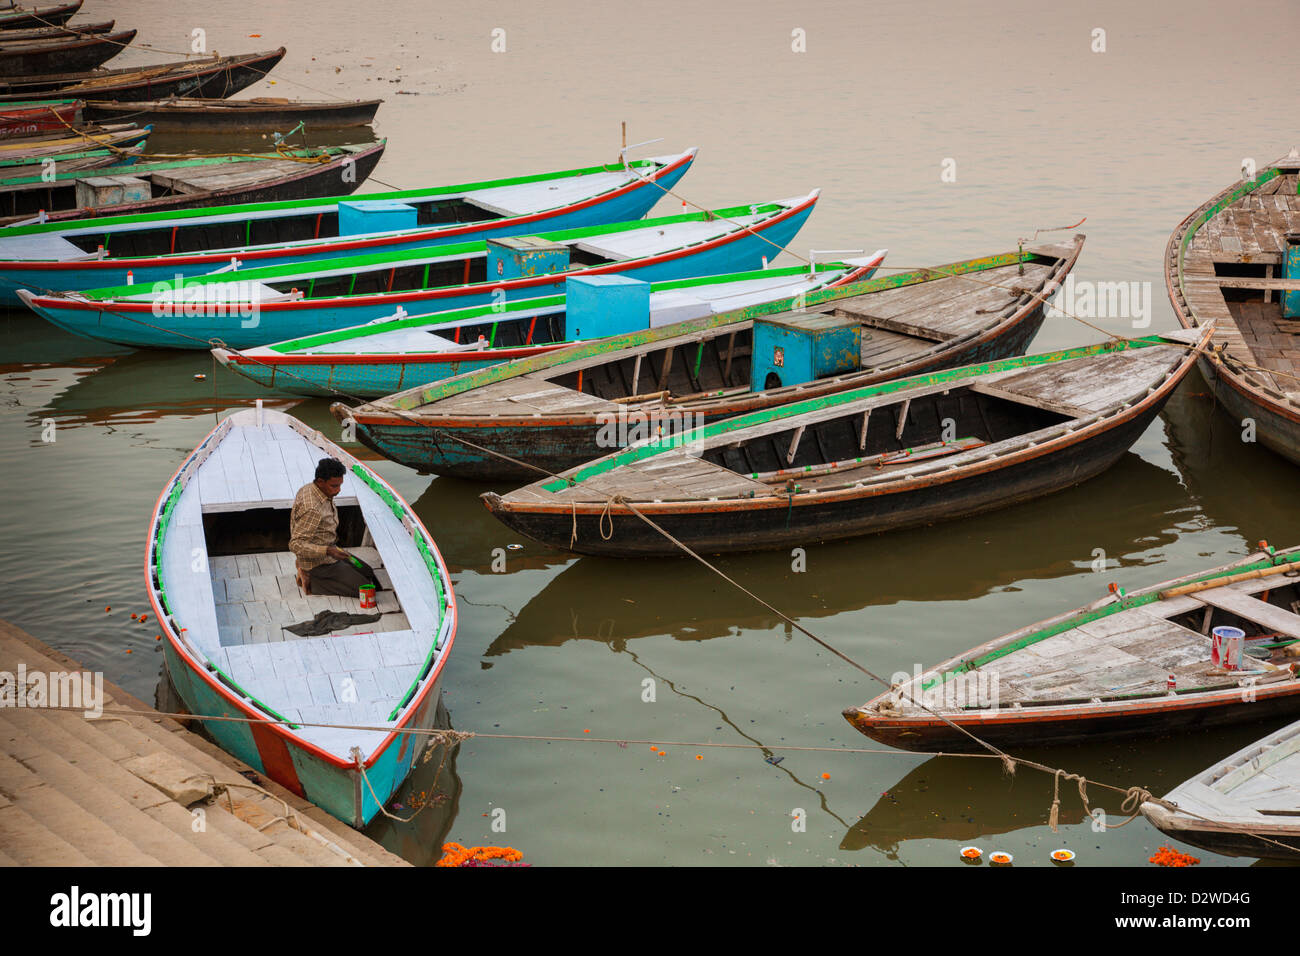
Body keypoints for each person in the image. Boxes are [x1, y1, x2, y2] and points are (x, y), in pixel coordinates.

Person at [289, 457, 370, 597]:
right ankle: (311, 581)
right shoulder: (312, 509)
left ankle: (312, 572)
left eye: (340, 485)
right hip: (318, 562)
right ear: (321, 482)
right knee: (365, 589)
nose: (338, 490)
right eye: (334, 486)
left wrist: (332, 549)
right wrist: (327, 551)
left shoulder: (312, 488)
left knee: (368, 572)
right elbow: (295, 545)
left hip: (331, 549)